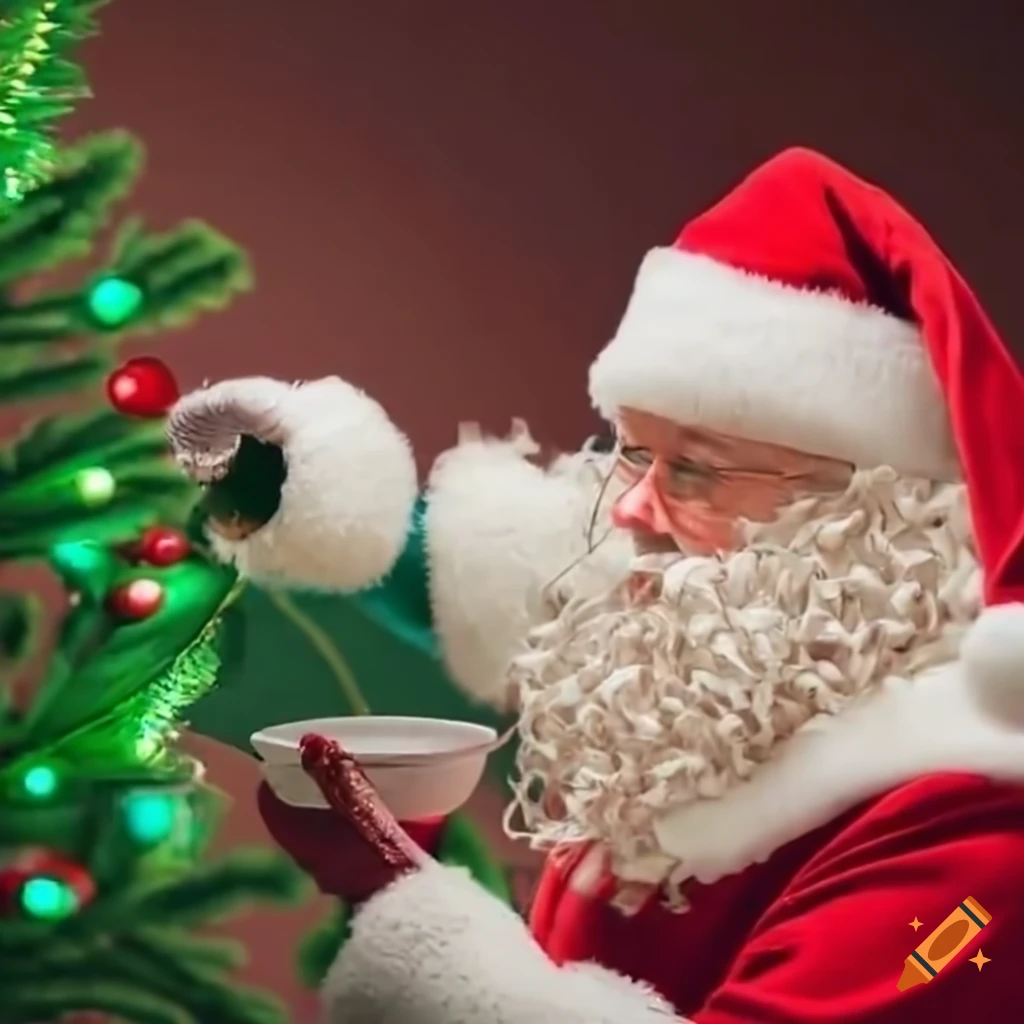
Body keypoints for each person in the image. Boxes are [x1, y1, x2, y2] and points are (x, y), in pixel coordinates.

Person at [167, 148, 1024, 1023]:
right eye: (633, 453)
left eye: (696, 471)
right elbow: (485, 568)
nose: (633, 510)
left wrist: (408, 911)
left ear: (870, 512)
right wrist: (274, 481)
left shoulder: (969, 829)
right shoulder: (718, 650)